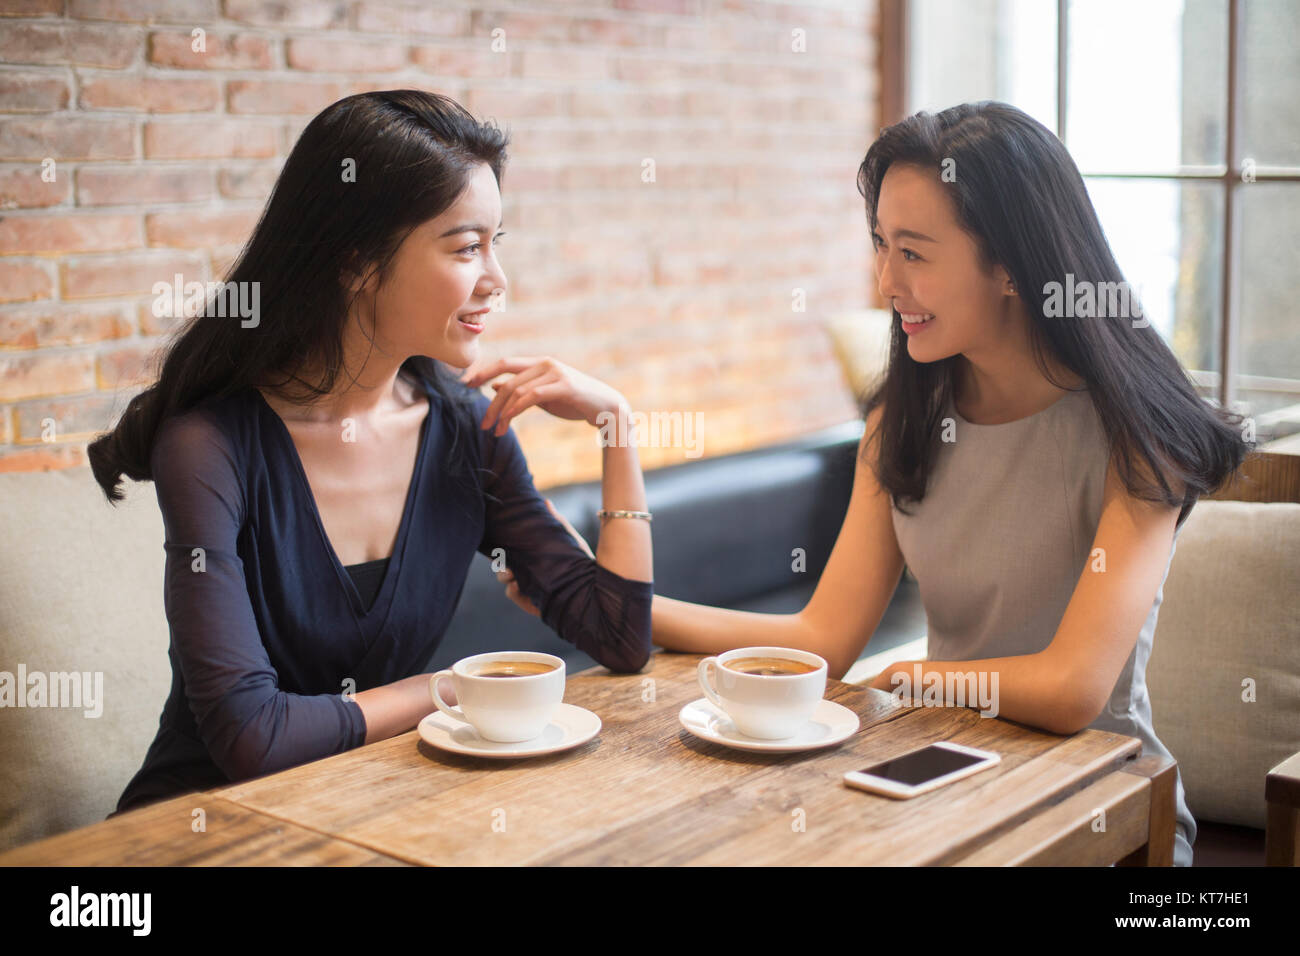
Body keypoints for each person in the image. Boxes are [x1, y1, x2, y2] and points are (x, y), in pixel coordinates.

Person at [503, 102, 1249, 867]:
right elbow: (821, 640)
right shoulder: (904, 419)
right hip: (943, 781)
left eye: (915, 252)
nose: (887, 281)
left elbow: (1072, 689)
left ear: (1011, 266)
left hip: (1104, 809)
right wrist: (613, 601)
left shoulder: (1138, 434)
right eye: (881, 245)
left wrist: (911, 678)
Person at [88, 90, 653, 815]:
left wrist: (616, 426)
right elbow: (252, 739)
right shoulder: (209, 447)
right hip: (199, 824)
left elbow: (619, 635)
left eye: (496, 243)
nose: (497, 281)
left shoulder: (467, 429)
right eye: (466, 247)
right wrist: (443, 690)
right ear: (357, 262)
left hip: (364, 809)